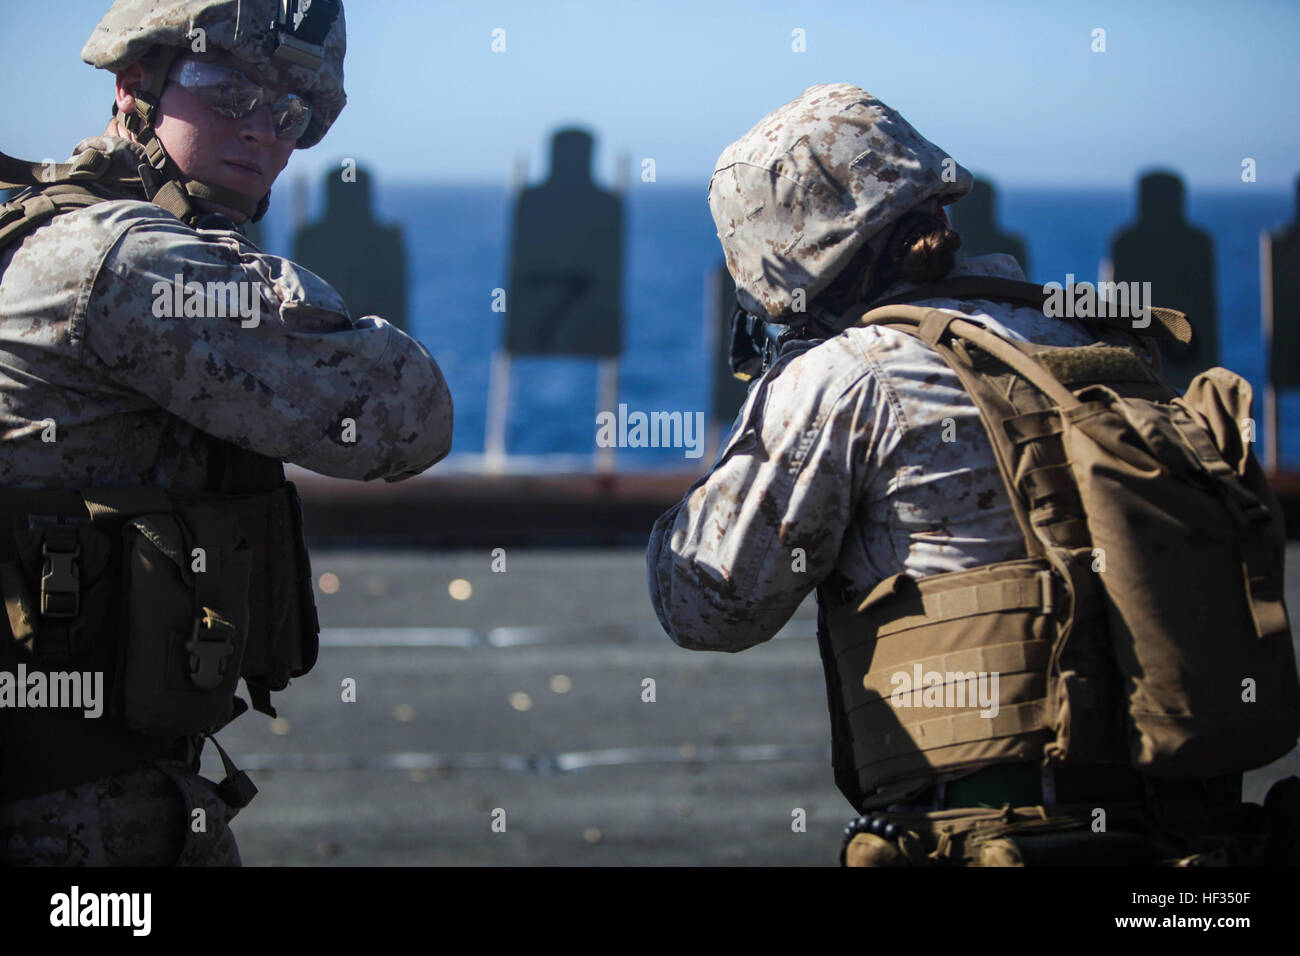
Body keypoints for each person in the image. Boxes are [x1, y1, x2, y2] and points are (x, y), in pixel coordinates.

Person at [647, 83, 1297, 866]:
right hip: (1191, 843)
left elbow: (712, 606)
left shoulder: (849, 373)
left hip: (1001, 835)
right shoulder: (1087, 338)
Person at [0, 0, 453, 865]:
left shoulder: (52, 224)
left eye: (289, 115)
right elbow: (410, 414)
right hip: (78, 815)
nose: (261, 134)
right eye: (226, 93)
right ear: (138, 85)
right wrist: (273, 285)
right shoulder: (128, 260)